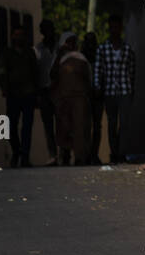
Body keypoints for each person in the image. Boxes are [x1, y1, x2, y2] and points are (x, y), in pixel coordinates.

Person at [94, 17, 135, 163]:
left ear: (120, 29)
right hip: (110, 91)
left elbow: (131, 70)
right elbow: (98, 70)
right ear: (109, 29)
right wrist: (98, 87)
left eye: (117, 27)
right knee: (112, 123)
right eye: (112, 28)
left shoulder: (127, 49)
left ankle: (122, 152)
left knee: (124, 124)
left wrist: (131, 89)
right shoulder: (102, 49)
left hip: (124, 90)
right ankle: (114, 152)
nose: (115, 30)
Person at [0, 26, 38, 167]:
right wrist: (4, 88)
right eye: (16, 35)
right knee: (10, 126)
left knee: (27, 127)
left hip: (28, 94)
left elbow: (35, 73)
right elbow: (2, 72)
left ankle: (25, 156)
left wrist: (37, 93)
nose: (19, 38)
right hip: (13, 94)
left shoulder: (29, 53)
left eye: (21, 35)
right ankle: (17, 151)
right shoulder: (7, 53)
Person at [50, 32, 92, 166]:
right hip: (63, 98)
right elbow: (52, 76)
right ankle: (65, 154)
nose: (71, 44)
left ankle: (80, 157)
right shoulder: (59, 59)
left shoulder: (81, 59)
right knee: (63, 127)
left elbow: (88, 79)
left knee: (79, 127)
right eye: (68, 42)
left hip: (79, 98)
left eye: (73, 42)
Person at [34, 19, 58, 164]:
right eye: (45, 29)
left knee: (62, 123)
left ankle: (64, 153)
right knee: (48, 125)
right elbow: (35, 72)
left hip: (58, 90)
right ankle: (53, 154)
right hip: (44, 91)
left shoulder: (60, 48)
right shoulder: (37, 50)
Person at [81, 31, 103, 164]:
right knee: (85, 126)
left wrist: (99, 89)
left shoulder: (100, 57)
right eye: (88, 41)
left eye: (92, 42)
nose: (90, 45)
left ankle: (94, 153)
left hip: (98, 96)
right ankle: (85, 154)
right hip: (84, 96)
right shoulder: (81, 59)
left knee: (96, 126)